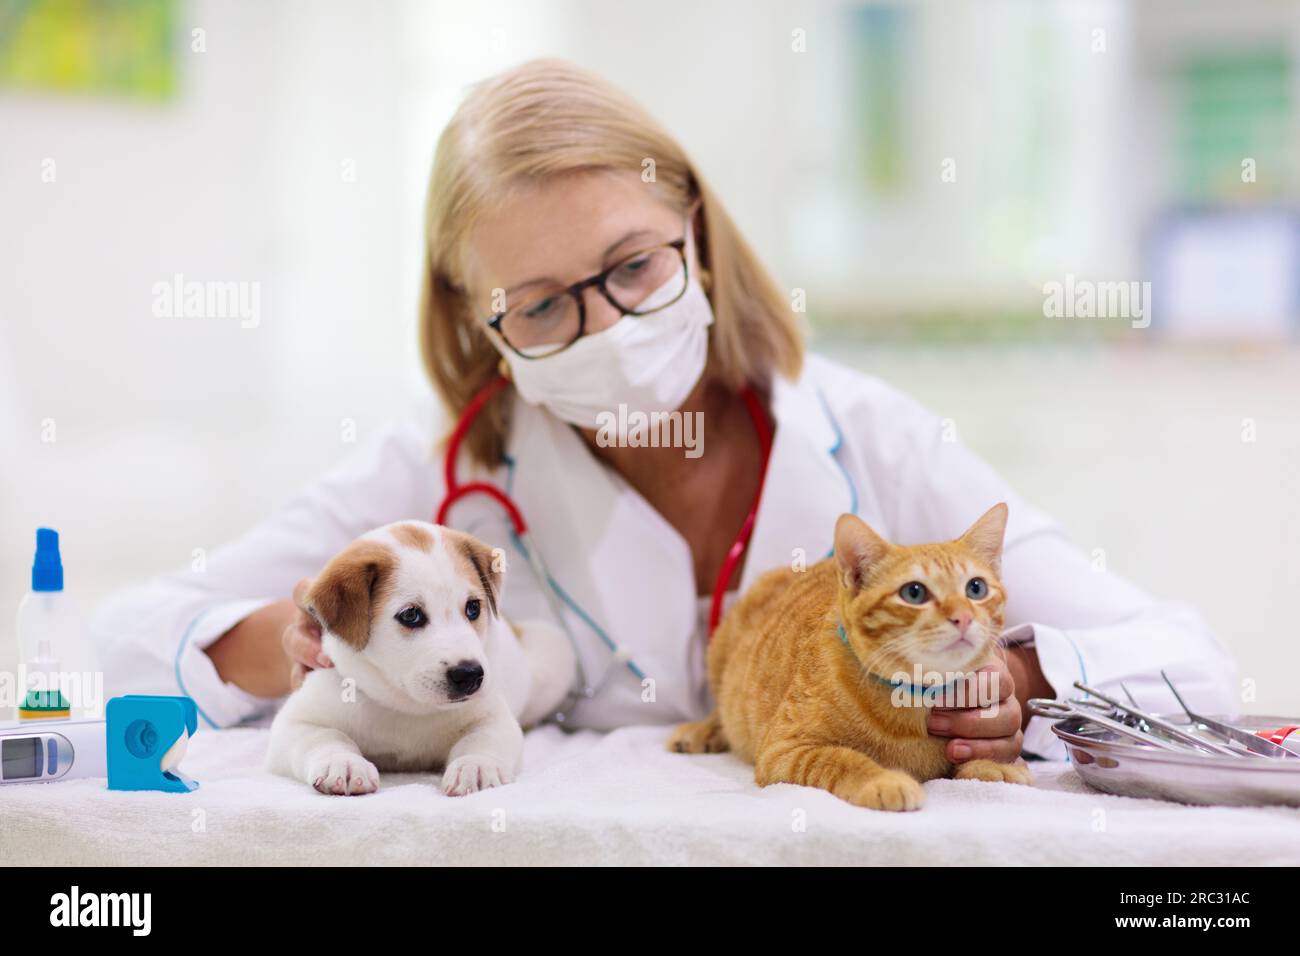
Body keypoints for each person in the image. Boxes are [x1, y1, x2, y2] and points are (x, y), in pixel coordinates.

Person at [93, 58, 1235, 761]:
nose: (604, 330)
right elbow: (122, 639)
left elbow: (1193, 662)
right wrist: (271, 647)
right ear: (467, 314)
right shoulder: (441, 478)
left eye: (632, 266)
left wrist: (1022, 680)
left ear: (693, 222)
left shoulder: (870, 438)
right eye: (538, 305)